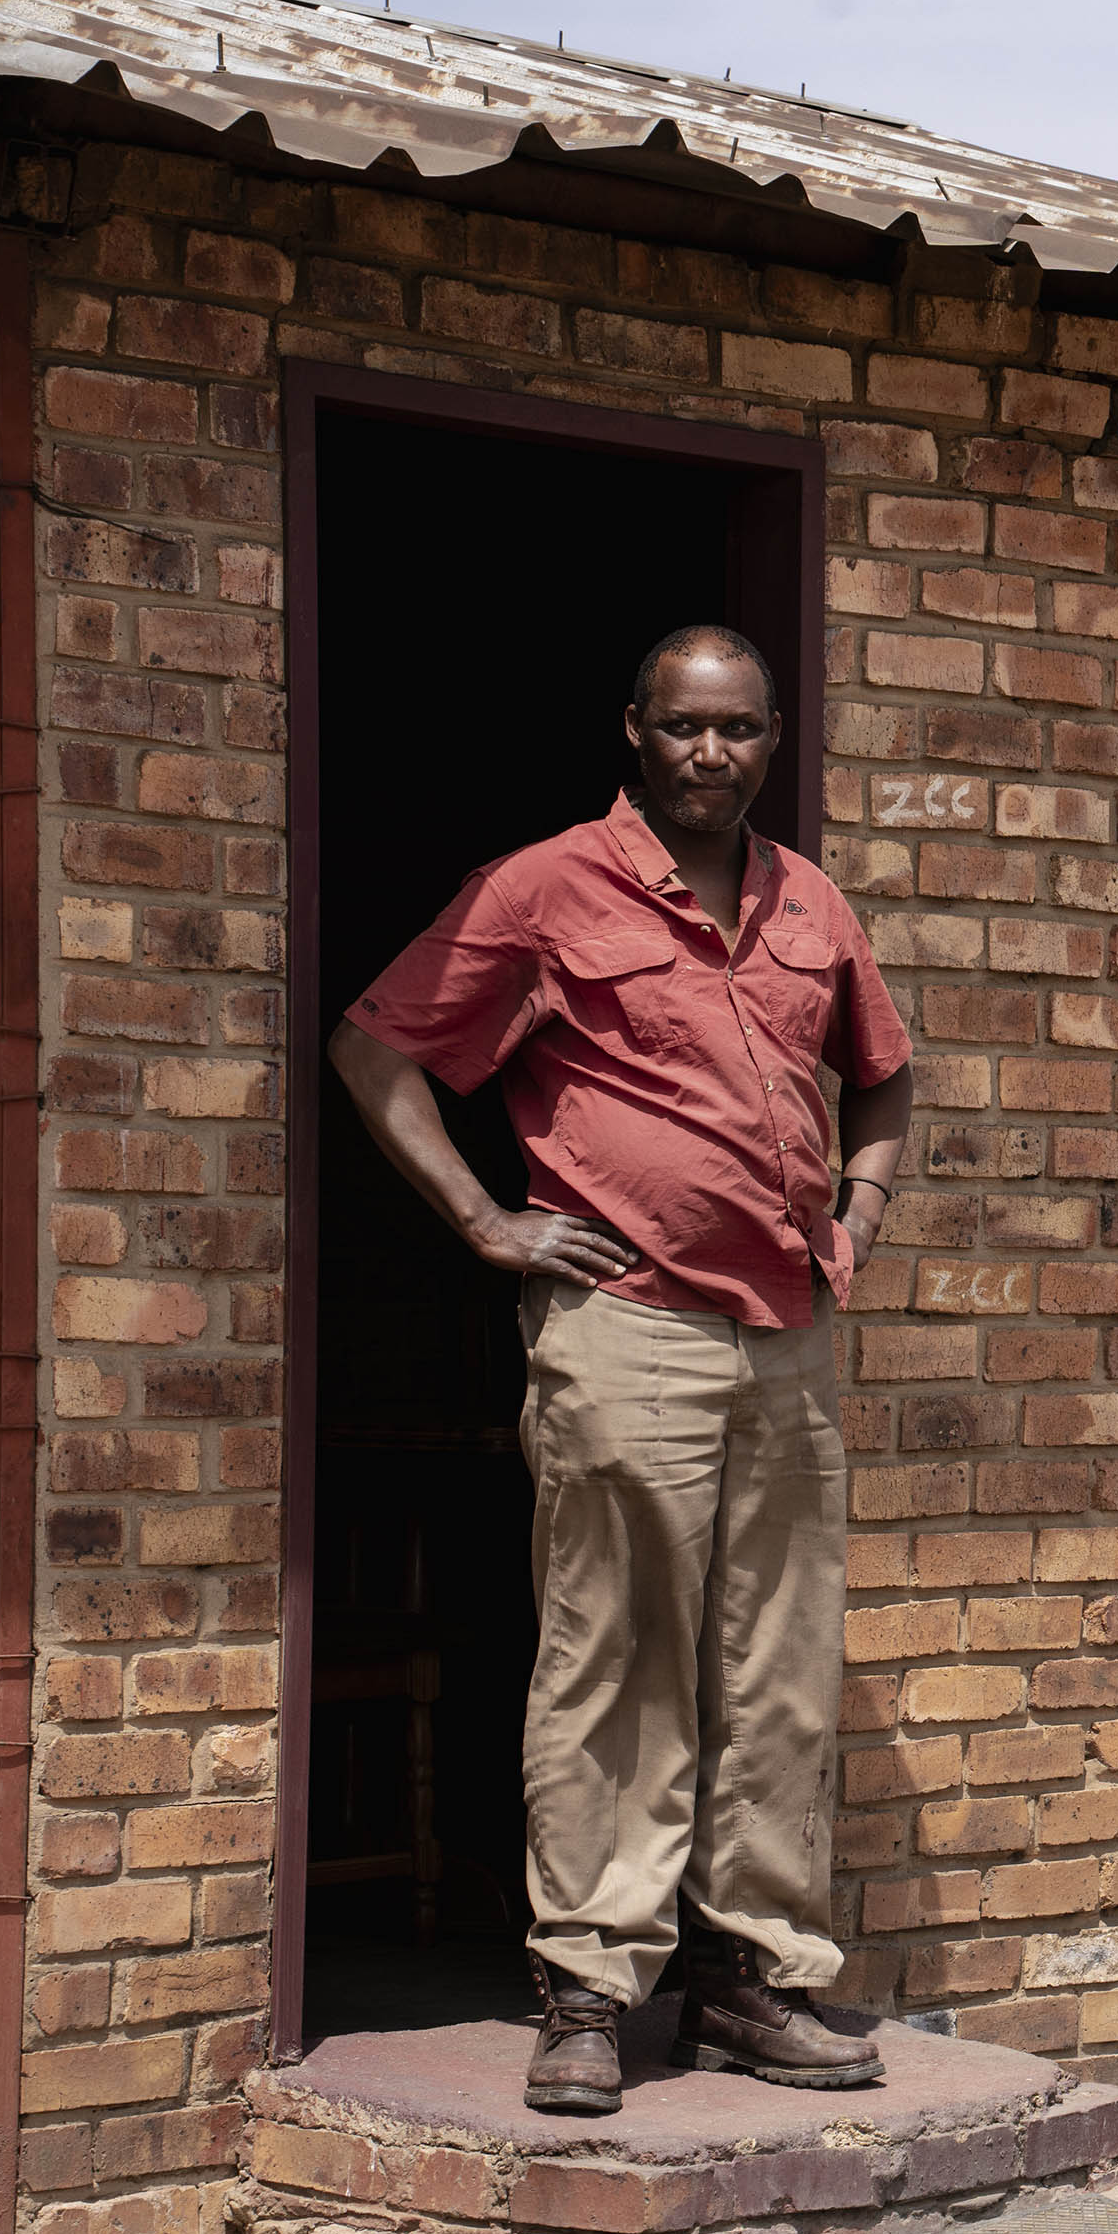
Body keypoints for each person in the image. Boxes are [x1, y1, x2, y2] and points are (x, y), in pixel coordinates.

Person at [329, 625, 913, 2115]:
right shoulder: (545, 888)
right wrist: (482, 1220)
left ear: (774, 739)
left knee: (778, 1668)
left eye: (739, 730)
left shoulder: (812, 902)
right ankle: (588, 1984)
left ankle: (746, 1981)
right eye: (684, 727)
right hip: (628, 1324)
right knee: (619, 1655)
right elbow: (376, 1048)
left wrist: (857, 1222)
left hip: (785, 1336)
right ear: (636, 734)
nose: (711, 753)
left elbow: (884, 1078)